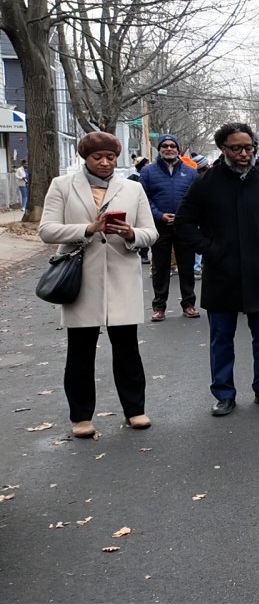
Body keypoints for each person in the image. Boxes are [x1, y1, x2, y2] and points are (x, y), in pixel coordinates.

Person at [37, 132, 159, 437]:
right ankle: (81, 417)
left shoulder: (132, 188)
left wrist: (131, 234)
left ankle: (135, 410)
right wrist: (89, 228)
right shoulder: (62, 186)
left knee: (127, 349)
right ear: (85, 158)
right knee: (80, 352)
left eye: (110, 157)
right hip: (80, 279)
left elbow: (150, 232)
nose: (105, 163)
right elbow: (47, 230)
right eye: (97, 157)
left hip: (121, 276)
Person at [174, 123, 259, 416]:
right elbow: (183, 223)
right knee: (221, 339)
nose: (244, 154)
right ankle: (224, 394)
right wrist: (210, 249)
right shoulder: (206, 183)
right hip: (221, 274)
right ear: (223, 149)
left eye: (249, 147)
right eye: (236, 148)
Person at [138, 134, 199, 322]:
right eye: (165, 145)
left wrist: (183, 217)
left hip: (183, 227)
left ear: (178, 149)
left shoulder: (190, 172)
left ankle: (189, 304)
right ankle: (159, 307)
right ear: (160, 149)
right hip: (159, 226)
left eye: (173, 145)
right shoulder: (148, 172)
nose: (169, 148)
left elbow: (196, 199)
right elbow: (143, 199)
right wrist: (159, 215)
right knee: (160, 268)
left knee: (186, 267)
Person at [126, 157, 151, 264]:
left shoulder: (150, 177)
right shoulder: (132, 178)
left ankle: (144, 253)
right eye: (146, 164)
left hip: (146, 207)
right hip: (133, 207)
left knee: (144, 231)